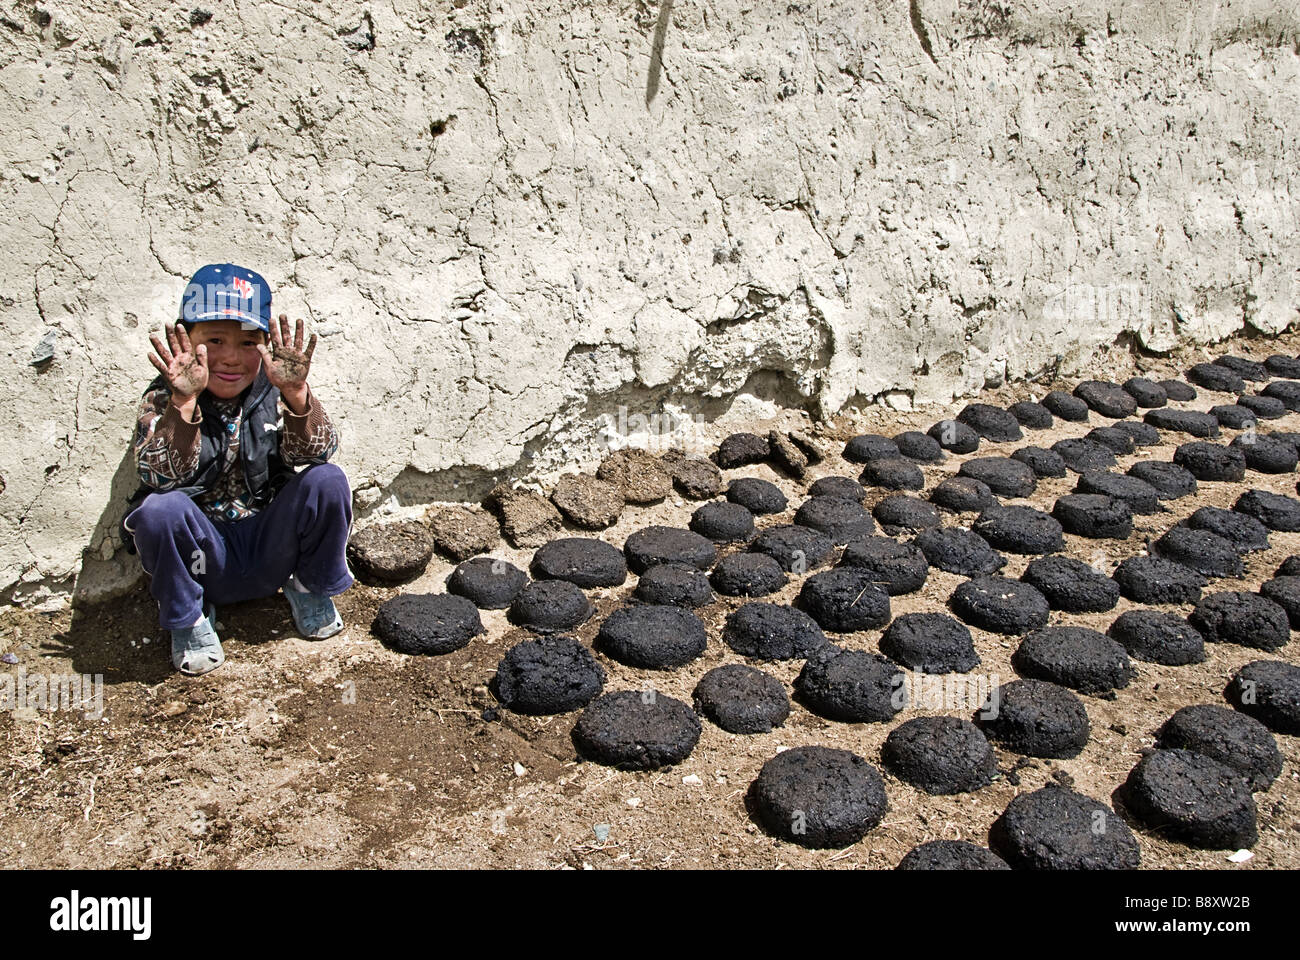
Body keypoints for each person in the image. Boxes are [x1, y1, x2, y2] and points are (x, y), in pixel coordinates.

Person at [119, 263, 354, 676]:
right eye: (213, 340)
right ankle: (190, 617)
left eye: (248, 343)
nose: (230, 357)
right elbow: (158, 478)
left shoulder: (273, 387)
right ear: (185, 341)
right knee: (158, 511)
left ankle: (309, 589)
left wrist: (297, 394)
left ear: (266, 344)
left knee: (327, 480)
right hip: (206, 564)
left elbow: (319, 451)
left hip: (270, 553)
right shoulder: (163, 397)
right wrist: (183, 406)